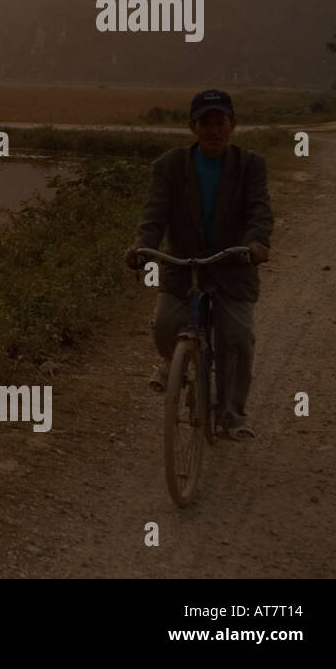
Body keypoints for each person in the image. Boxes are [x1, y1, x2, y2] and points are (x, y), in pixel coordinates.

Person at [123, 89, 273, 441]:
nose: (213, 130)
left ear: (232, 125)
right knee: (164, 324)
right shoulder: (169, 166)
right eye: (205, 123)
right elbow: (155, 215)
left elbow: (259, 210)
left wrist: (257, 243)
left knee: (236, 337)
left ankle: (232, 416)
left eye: (220, 122)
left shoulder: (251, 165)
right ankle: (176, 364)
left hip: (233, 264)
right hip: (184, 264)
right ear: (193, 127)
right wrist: (143, 246)